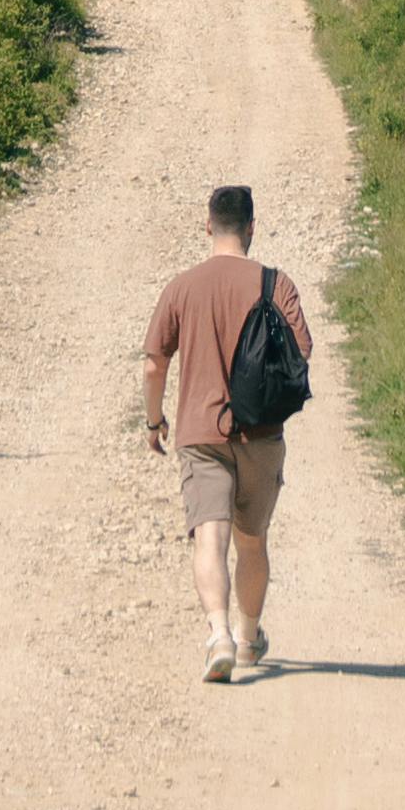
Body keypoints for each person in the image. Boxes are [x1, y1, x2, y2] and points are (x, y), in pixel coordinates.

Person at [140, 182, 308, 684]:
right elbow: (301, 351)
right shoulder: (276, 284)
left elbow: (154, 364)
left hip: (200, 433)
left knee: (209, 540)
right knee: (252, 542)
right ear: (252, 227)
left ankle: (219, 636)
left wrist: (154, 420)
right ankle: (249, 638)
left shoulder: (182, 287)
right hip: (261, 433)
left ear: (208, 225)